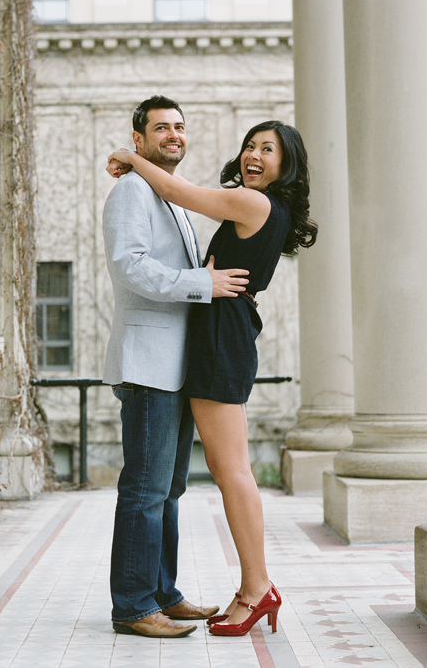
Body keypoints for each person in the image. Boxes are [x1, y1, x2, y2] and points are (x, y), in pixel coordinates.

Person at [107, 119, 318, 637]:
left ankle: (256, 588)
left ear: (286, 164)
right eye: (250, 145)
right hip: (219, 329)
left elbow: (181, 191)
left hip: (222, 334)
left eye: (268, 149)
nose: (254, 154)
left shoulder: (255, 203)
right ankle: (248, 587)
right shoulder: (262, 204)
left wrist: (132, 159)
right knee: (225, 473)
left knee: (232, 473)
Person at [102, 95, 251, 639]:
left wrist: (205, 273)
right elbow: (130, 268)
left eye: (180, 127)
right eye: (161, 127)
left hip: (179, 365)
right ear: (138, 140)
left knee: (169, 490)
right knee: (144, 489)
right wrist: (202, 283)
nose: (174, 135)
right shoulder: (131, 192)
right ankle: (134, 606)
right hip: (147, 366)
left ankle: (163, 593)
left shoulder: (172, 198)